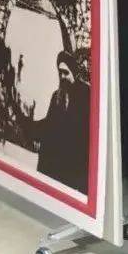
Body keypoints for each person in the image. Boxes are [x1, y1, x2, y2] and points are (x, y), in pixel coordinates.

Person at [35, 51, 91, 193]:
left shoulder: (87, 94)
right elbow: (49, 125)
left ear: (74, 72)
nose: (62, 77)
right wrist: (29, 126)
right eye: (60, 73)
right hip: (56, 167)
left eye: (66, 73)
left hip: (75, 169)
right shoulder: (57, 96)